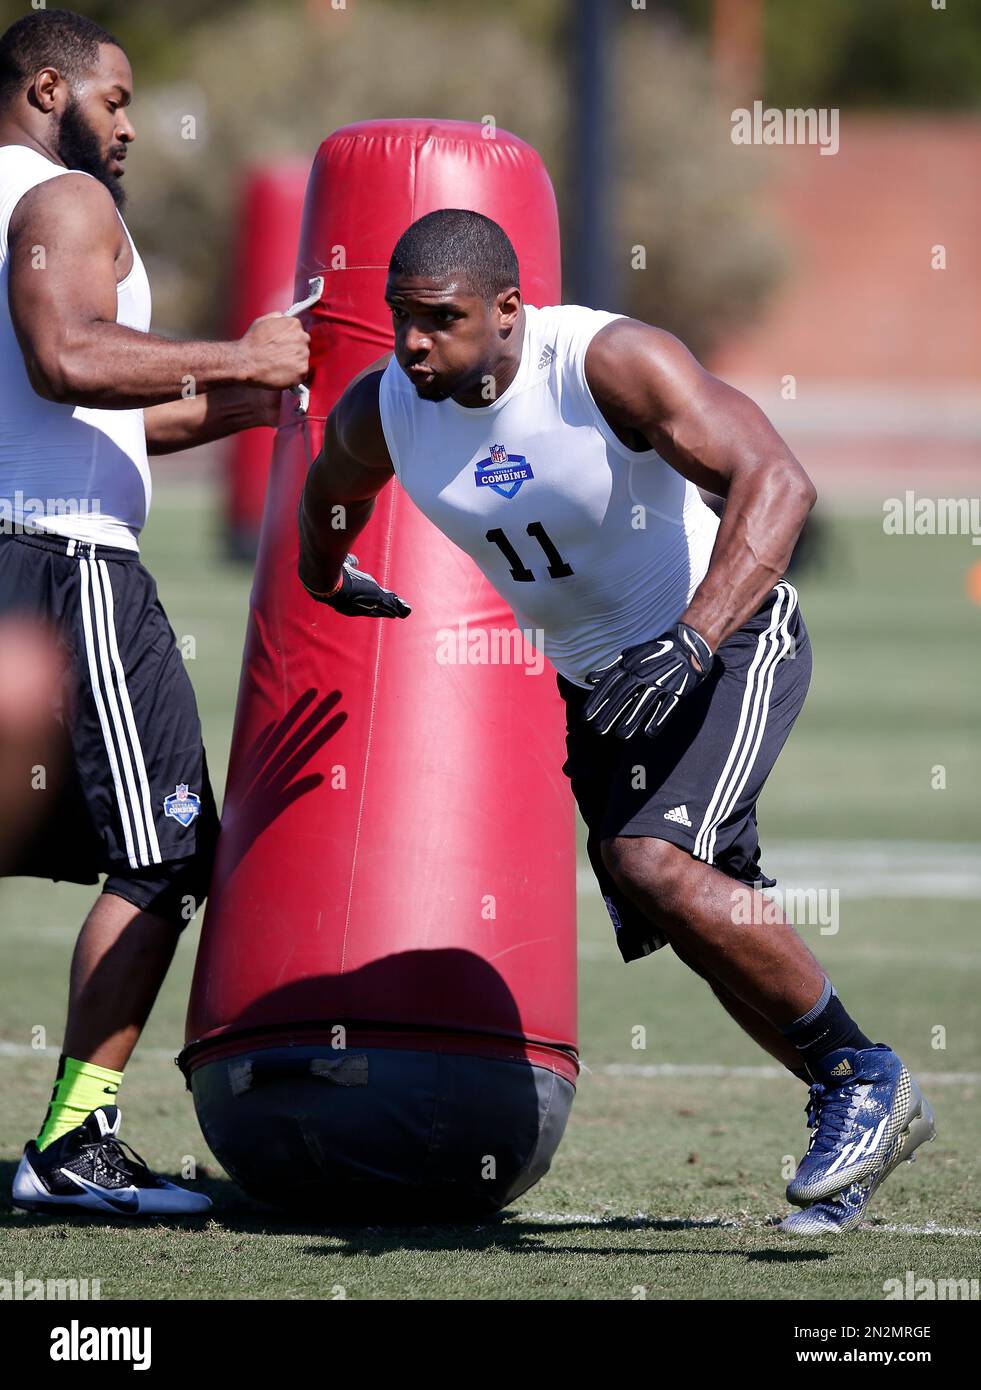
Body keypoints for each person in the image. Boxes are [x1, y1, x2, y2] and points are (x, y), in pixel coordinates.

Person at [295, 207, 935, 1234]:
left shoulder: (606, 363)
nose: (414, 343)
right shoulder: (391, 407)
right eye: (400, 319)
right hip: (599, 687)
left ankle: (865, 1076)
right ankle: (846, 1101)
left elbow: (778, 482)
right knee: (699, 912)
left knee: (649, 862)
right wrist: (323, 571)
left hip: (725, 637)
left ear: (509, 310)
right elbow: (333, 483)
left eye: (441, 320)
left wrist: (692, 637)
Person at [0, 9, 309, 1216]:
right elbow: (68, 360)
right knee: (168, 847)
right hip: (67, 571)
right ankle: (77, 1145)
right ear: (46, 88)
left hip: (25, 553)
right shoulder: (65, 205)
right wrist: (244, 352)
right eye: (114, 100)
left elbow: (106, 411)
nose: (128, 126)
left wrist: (256, 394)